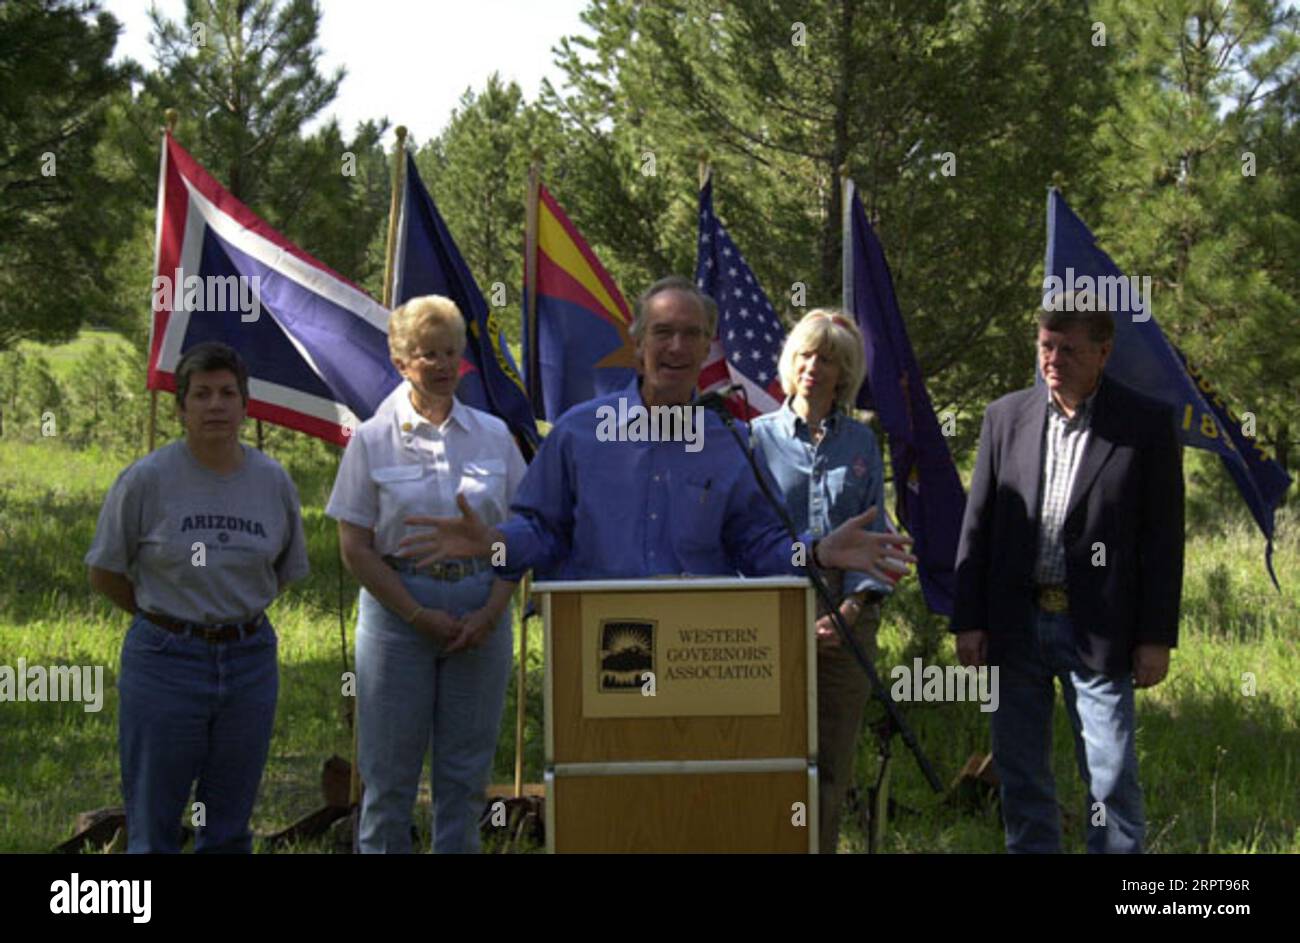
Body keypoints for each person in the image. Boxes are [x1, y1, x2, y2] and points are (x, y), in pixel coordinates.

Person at [399, 276, 914, 591]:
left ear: (707, 347)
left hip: (698, 649)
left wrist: (818, 553)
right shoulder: (580, 434)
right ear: (639, 343)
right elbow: (543, 534)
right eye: (663, 332)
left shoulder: (732, 441)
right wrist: (492, 545)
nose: (676, 346)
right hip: (596, 641)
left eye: (691, 334)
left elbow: (760, 548)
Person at [950, 294, 1184, 853]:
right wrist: (969, 620)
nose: (1053, 359)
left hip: (1101, 631)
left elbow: (1163, 542)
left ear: (1104, 353)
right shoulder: (1006, 417)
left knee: (1109, 778)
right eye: (1046, 346)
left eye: (1069, 350)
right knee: (1021, 775)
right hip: (1015, 626)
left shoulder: (1144, 425)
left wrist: (1156, 638)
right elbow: (977, 526)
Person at [86, 341, 309, 853]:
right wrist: (170, 618)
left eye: (228, 393)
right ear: (181, 407)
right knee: (155, 820)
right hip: (166, 660)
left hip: (249, 660)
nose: (215, 405)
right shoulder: (147, 480)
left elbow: (284, 570)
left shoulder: (272, 480)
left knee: (230, 823)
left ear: (245, 405)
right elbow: (105, 572)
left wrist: (232, 610)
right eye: (202, 394)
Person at [326, 294, 526, 854]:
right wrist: (415, 614)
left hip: (481, 611)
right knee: (388, 778)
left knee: (463, 777)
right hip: (397, 615)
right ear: (400, 361)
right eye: (427, 354)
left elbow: (522, 535)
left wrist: (491, 611)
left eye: (451, 352)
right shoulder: (370, 439)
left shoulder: (494, 436)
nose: (441, 366)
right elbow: (354, 546)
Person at [752, 309, 893, 854]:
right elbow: (747, 535)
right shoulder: (756, 439)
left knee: (831, 765)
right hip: (772, 616)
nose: (814, 367)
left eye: (828, 359)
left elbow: (874, 536)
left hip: (846, 620)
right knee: (772, 756)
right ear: (792, 363)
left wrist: (851, 610)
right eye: (807, 355)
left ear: (844, 372)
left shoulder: (860, 445)